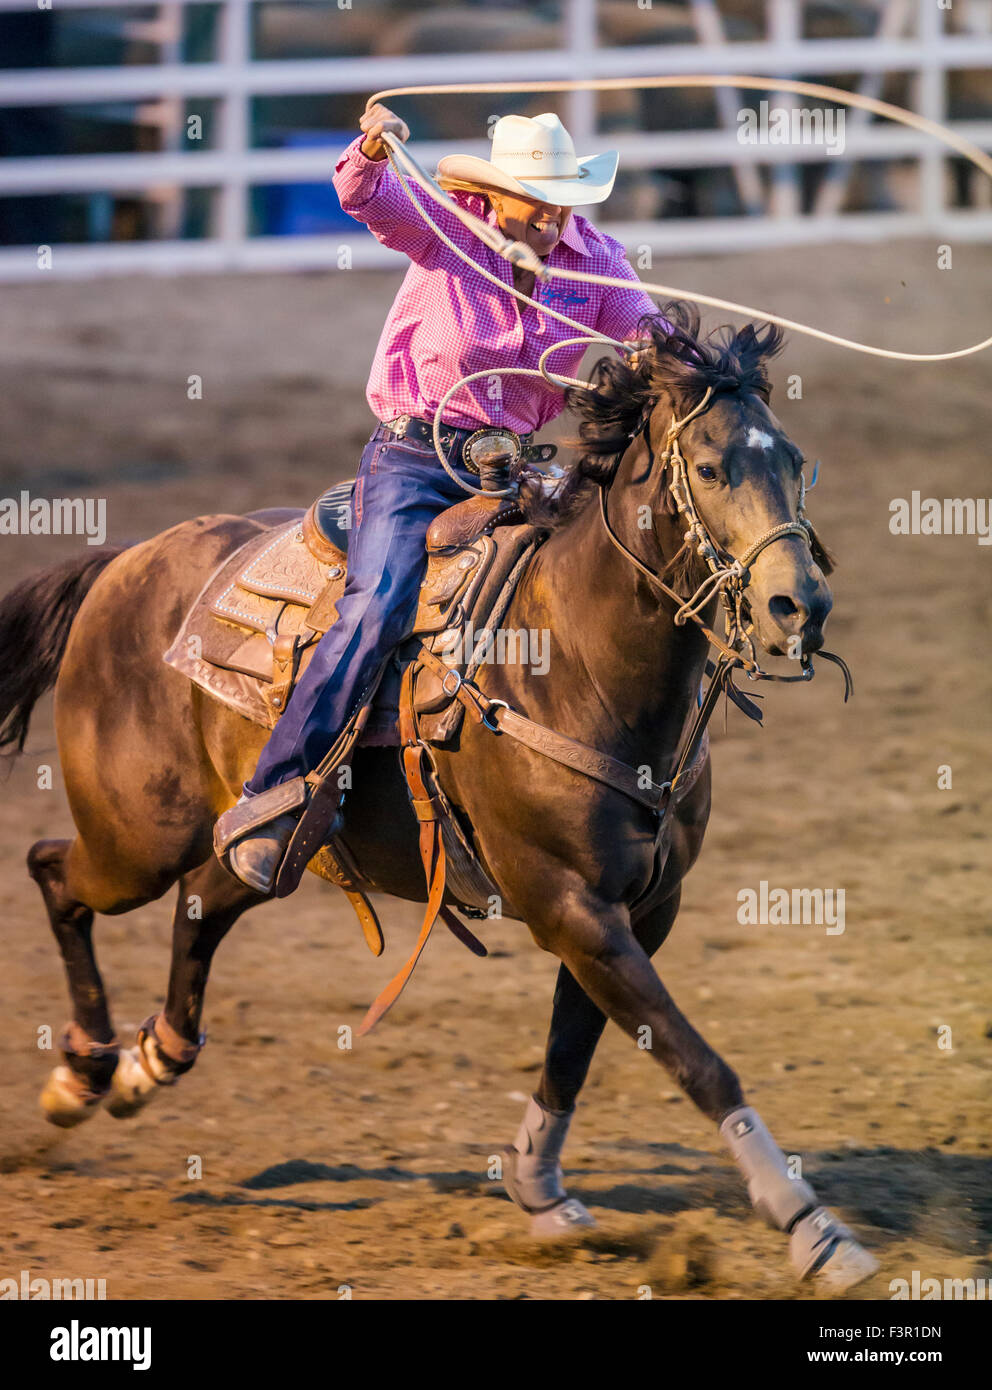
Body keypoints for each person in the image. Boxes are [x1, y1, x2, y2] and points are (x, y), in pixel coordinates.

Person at [216, 105, 660, 894]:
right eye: (538, 197)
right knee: (377, 603)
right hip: (417, 456)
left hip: (516, 463)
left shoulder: (595, 259)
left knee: (598, 568)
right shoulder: (449, 227)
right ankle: (276, 795)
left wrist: (684, 361)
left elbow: (646, 336)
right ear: (500, 195)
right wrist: (374, 147)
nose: (555, 213)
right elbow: (365, 194)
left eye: (563, 196)